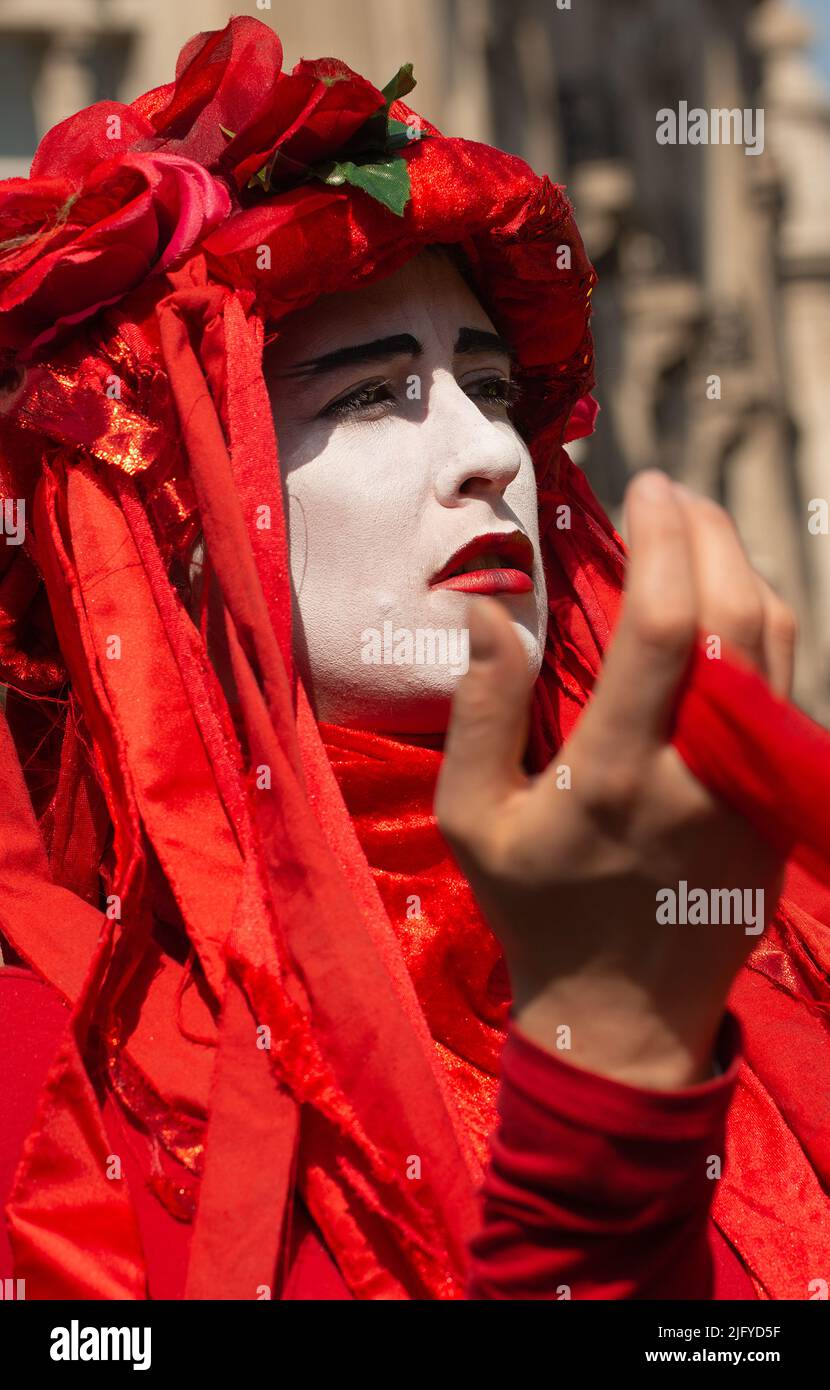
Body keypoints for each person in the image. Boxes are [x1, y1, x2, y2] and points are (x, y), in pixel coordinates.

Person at [0, 16, 828, 1301]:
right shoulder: (43, 1098)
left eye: (492, 389)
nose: (487, 453)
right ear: (183, 522)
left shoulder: (767, 968)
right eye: (373, 394)